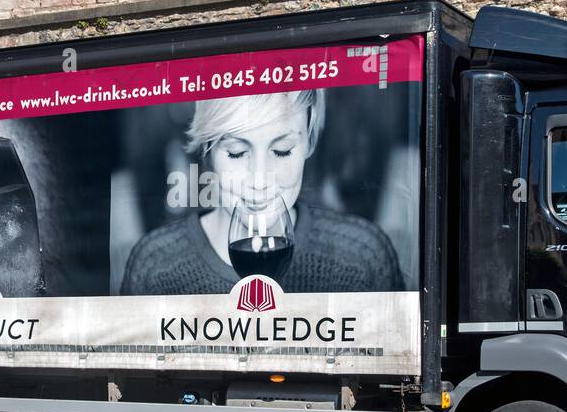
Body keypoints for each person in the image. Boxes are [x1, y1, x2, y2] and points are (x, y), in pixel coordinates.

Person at [120, 89, 403, 295]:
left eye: (281, 151)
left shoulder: (363, 257)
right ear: (207, 151)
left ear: (310, 141)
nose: (259, 180)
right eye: (236, 152)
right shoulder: (155, 266)